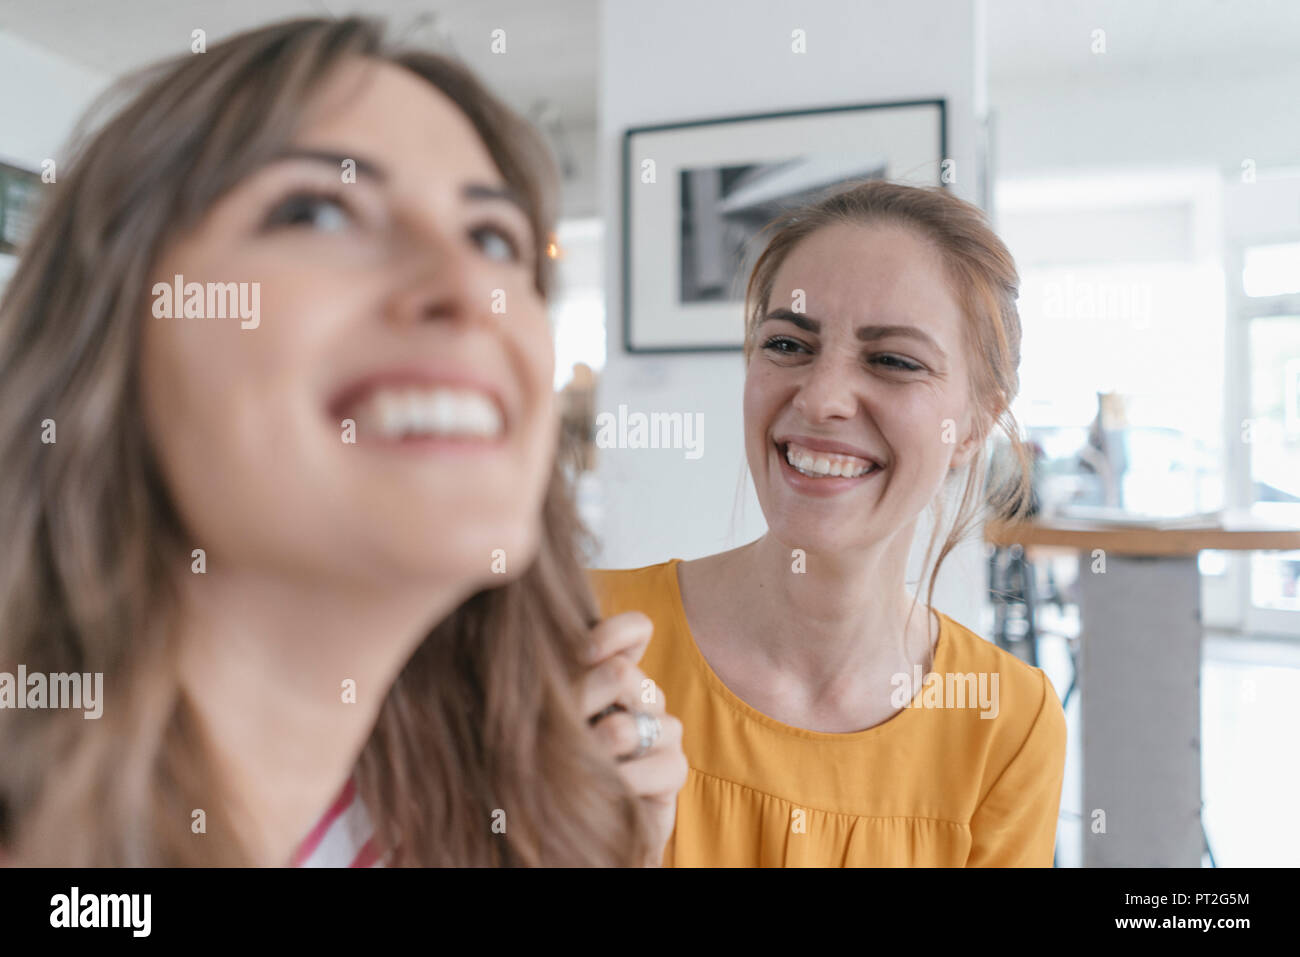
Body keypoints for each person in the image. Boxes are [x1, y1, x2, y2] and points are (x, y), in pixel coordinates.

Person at [0, 16, 684, 867]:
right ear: (108, 322)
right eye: (319, 212)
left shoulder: (478, 809)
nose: (470, 287)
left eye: (493, 239)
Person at [592, 180, 1067, 866]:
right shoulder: (588, 631)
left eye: (895, 360)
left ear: (973, 426)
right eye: (787, 344)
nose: (820, 398)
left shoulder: (1007, 724)